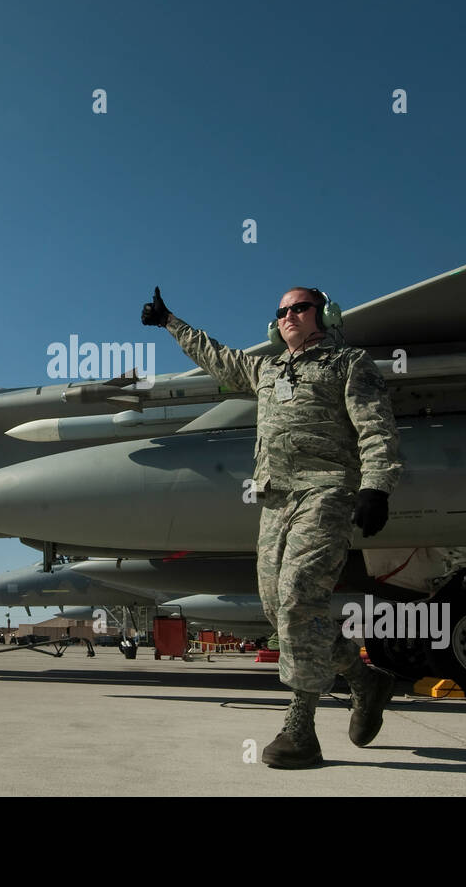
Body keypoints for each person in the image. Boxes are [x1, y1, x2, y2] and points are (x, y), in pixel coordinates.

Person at [143, 286, 402, 769]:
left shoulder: (347, 362)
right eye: (281, 311)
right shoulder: (266, 368)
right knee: (279, 607)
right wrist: (169, 322)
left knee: (301, 596)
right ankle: (365, 681)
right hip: (274, 499)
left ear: (323, 313)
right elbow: (217, 358)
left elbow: (376, 425)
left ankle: (300, 728)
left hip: (326, 491)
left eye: (298, 307)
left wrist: (377, 485)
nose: (288, 316)